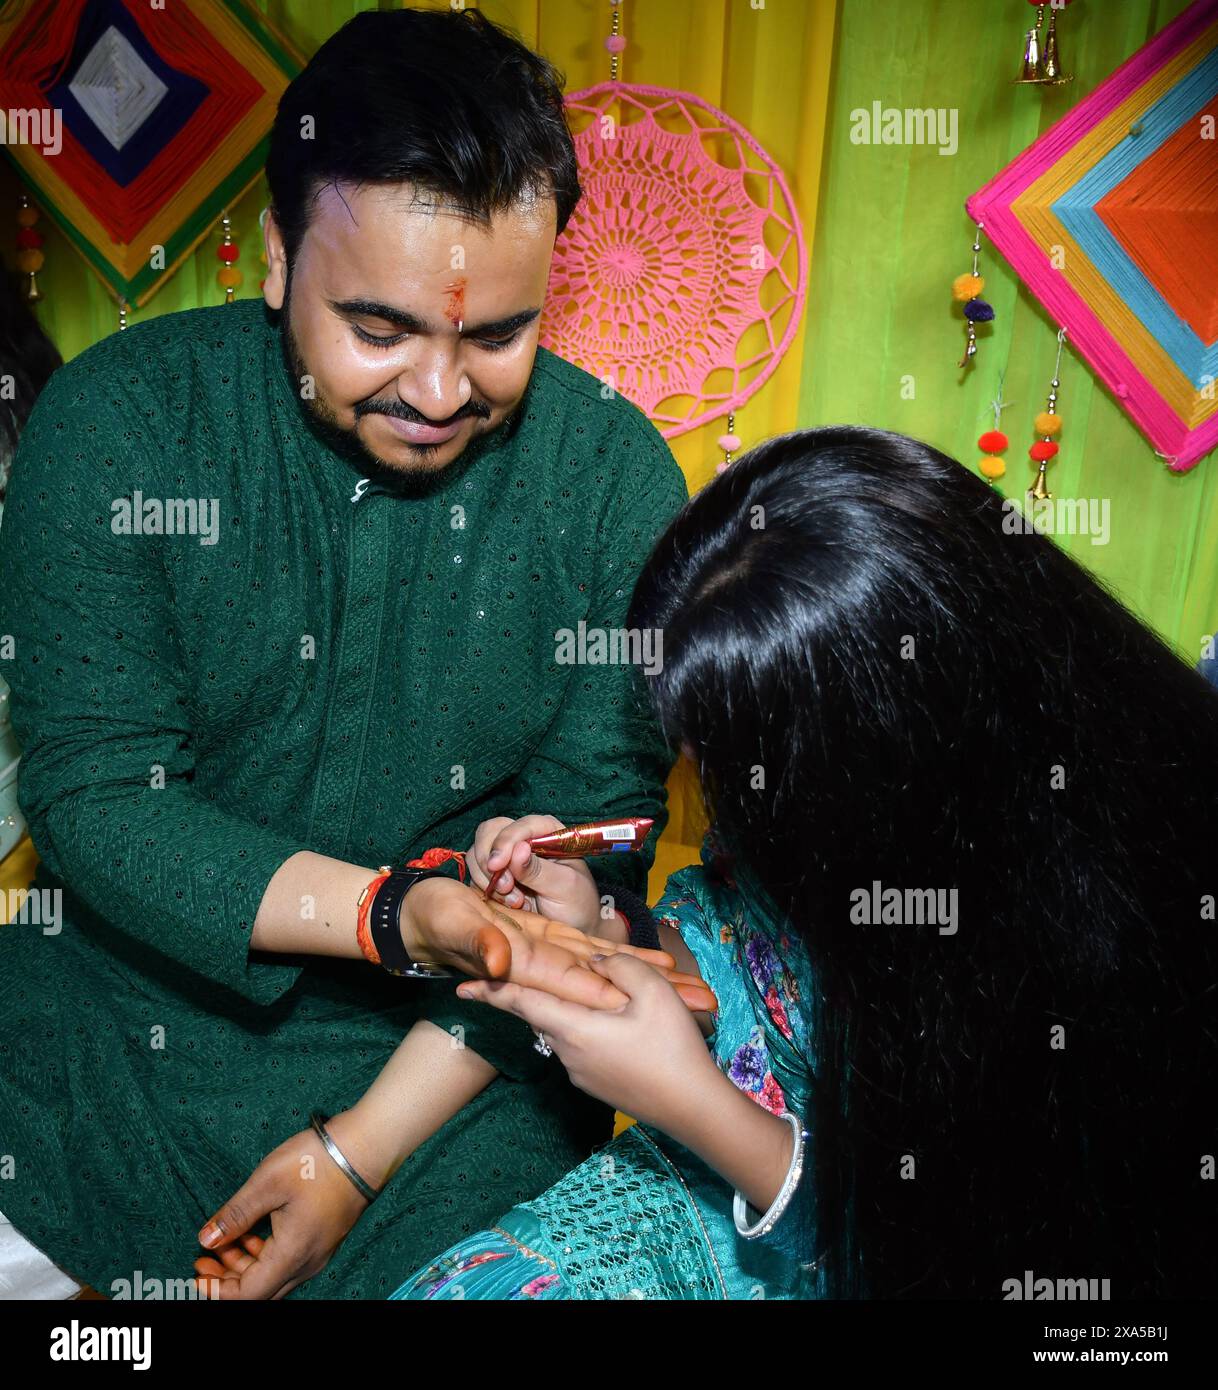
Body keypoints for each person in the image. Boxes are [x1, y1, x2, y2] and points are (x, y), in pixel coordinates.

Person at [0, 6, 688, 1299]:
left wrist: (355, 1156)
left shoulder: (614, 482)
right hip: (104, 1041)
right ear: (274, 260)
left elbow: (592, 852)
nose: (438, 396)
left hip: (456, 1077)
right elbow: (94, 798)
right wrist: (391, 911)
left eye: (497, 337)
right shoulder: (114, 430)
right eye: (378, 330)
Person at [390, 425, 1218, 1300]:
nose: (709, 802)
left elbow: (995, 1245)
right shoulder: (874, 809)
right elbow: (758, 956)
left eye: (740, 785)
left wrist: (696, 1107)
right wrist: (605, 926)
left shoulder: (1137, 956)